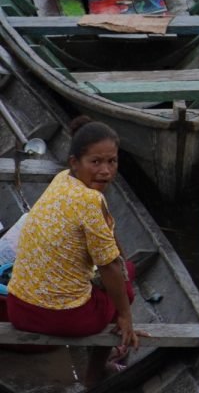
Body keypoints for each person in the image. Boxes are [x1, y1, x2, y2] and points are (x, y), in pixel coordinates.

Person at [4, 118, 139, 378]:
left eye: (112, 162)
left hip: (17, 308)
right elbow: (110, 266)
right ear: (75, 162)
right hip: (61, 318)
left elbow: (108, 246)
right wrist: (126, 317)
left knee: (119, 273)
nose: (106, 171)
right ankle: (95, 373)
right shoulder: (89, 200)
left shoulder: (61, 179)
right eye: (96, 162)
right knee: (126, 282)